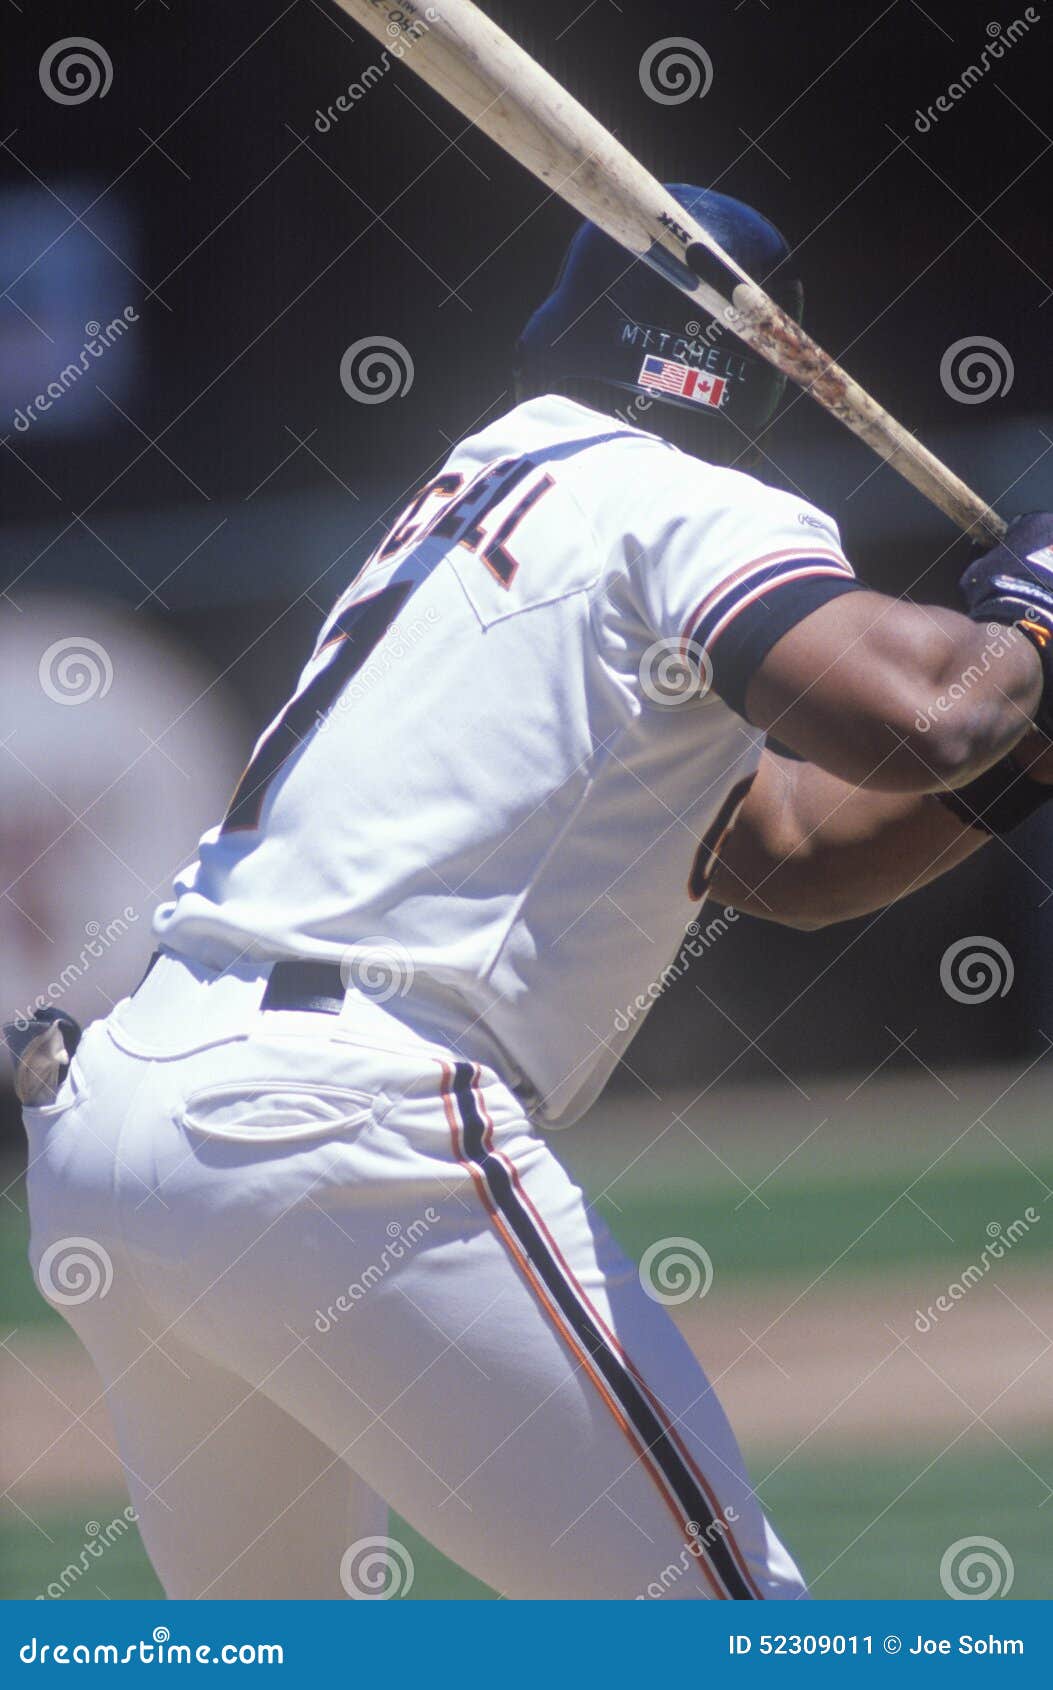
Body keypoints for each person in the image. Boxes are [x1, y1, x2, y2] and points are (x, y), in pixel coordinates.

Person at [16, 186, 1053, 1601]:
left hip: (127, 1124)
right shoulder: (684, 498)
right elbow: (931, 713)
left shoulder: (484, 484)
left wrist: (1027, 704)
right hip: (342, 1126)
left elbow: (792, 847)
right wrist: (1026, 626)